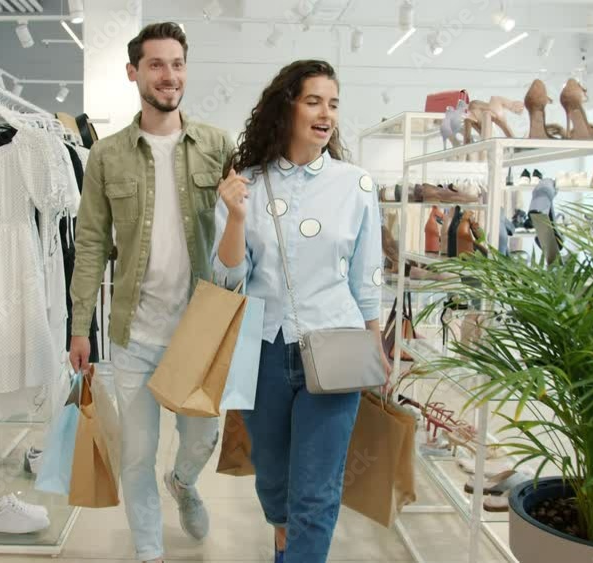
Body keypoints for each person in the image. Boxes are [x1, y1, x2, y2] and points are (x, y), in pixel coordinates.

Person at [68, 22, 235, 563]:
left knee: (201, 441)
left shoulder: (215, 144)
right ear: (134, 72)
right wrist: (78, 326)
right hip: (135, 333)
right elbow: (90, 242)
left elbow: (245, 232)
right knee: (137, 454)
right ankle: (148, 551)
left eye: (178, 64)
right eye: (157, 64)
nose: (169, 75)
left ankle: (183, 483)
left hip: (199, 332)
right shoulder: (108, 156)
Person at [213, 60, 391, 563]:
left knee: (314, 495)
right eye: (314, 101)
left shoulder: (355, 184)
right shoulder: (244, 182)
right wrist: (235, 218)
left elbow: (367, 274)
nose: (325, 114)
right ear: (286, 106)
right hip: (262, 349)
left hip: (336, 345)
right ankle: (283, 539)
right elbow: (227, 277)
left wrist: (376, 346)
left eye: (333, 104)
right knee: (274, 483)